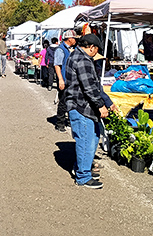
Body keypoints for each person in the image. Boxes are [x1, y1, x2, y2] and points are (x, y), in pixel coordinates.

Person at [64, 33, 109, 189]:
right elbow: (89, 87)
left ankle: (81, 169)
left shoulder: (74, 55)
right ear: (91, 47)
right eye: (96, 50)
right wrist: (101, 105)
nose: (96, 54)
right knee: (86, 141)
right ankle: (83, 176)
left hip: (79, 105)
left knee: (91, 138)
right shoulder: (83, 60)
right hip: (82, 106)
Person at [53, 29, 78, 132]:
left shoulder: (72, 49)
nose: (75, 40)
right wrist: (60, 80)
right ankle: (60, 123)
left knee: (72, 102)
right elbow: (57, 65)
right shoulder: (60, 50)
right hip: (64, 79)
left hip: (72, 80)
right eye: (74, 38)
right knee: (63, 102)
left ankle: (71, 122)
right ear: (69, 39)